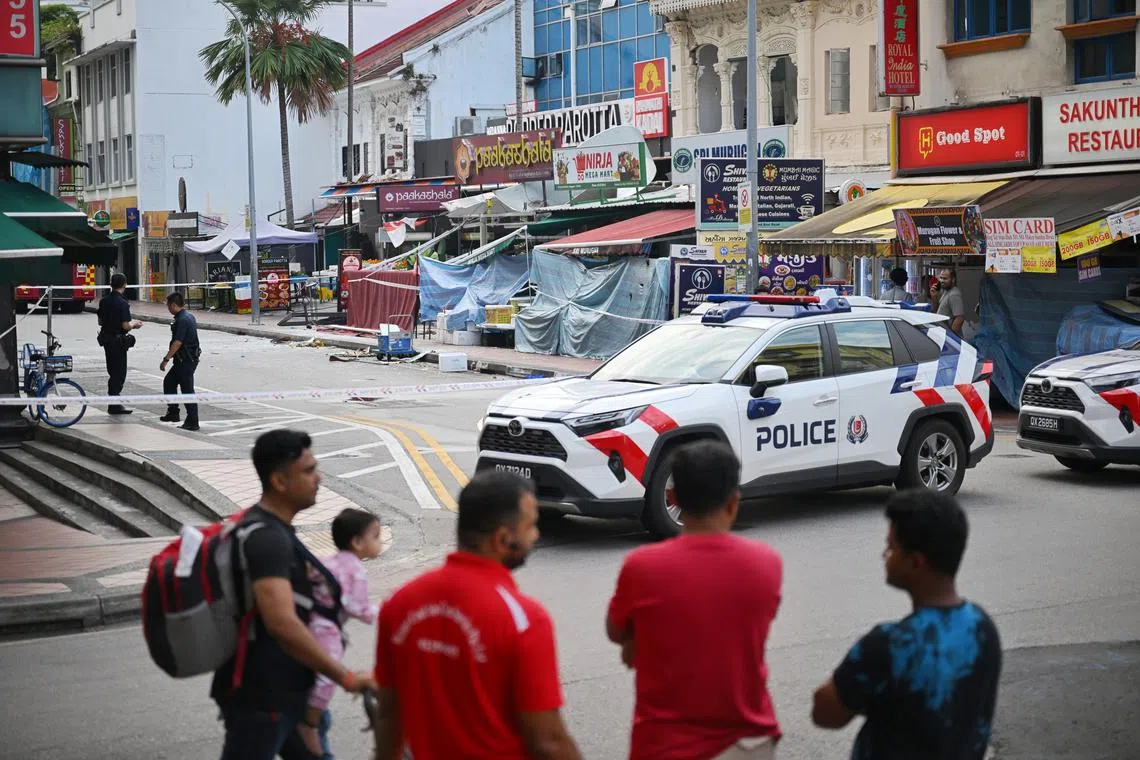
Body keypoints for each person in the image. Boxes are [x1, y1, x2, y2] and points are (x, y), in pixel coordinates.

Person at [372, 471, 582, 760]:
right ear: (503, 539)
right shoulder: (524, 619)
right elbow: (548, 742)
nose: (536, 535)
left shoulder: (398, 604)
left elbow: (389, 713)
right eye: (531, 526)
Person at [607, 441, 783, 760]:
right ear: (733, 503)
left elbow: (616, 631)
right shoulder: (767, 564)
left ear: (673, 498)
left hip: (664, 745)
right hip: (747, 742)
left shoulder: (641, 567)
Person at [212, 429, 376, 760]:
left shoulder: (278, 533)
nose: (319, 477)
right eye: (308, 470)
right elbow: (282, 623)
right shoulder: (267, 539)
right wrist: (343, 676)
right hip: (263, 695)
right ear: (280, 481)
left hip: (286, 690)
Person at [811, 490, 1002, 760]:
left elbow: (824, 712)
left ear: (915, 562)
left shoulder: (891, 644)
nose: (885, 554)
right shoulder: (983, 628)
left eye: (891, 547)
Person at [296, 508, 383, 759]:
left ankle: (313, 721)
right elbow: (358, 609)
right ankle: (311, 722)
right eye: (376, 536)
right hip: (326, 629)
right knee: (327, 672)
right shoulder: (355, 568)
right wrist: (381, 611)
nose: (379, 542)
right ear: (357, 542)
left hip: (310, 623)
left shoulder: (329, 560)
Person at [97, 272, 143, 415]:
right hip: (118, 341)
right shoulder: (123, 303)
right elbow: (125, 326)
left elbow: (100, 321)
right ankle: (115, 403)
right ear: (124, 285)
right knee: (119, 372)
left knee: (112, 370)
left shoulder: (103, 301)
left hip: (106, 340)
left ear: (111, 284)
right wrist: (134, 324)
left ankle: (113, 402)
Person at [159, 292, 201, 431]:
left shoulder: (183, 320)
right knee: (169, 382)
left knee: (187, 389)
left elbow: (177, 342)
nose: (168, 309)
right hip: (183, 359)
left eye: (168, 306)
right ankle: (173, 412)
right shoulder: (187, 316)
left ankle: (193, 420)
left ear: (173, 305)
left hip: (186, 360)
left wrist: (166, 359)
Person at [935, 268, 966, 335]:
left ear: (953, 280)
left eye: (945, 278)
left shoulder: (954, 294)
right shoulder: (946, 291)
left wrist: (951, 337)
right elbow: (940, 310)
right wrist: (934, 296)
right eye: (941, 278)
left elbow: (959, 318)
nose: (942, 281)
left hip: (949, 338)